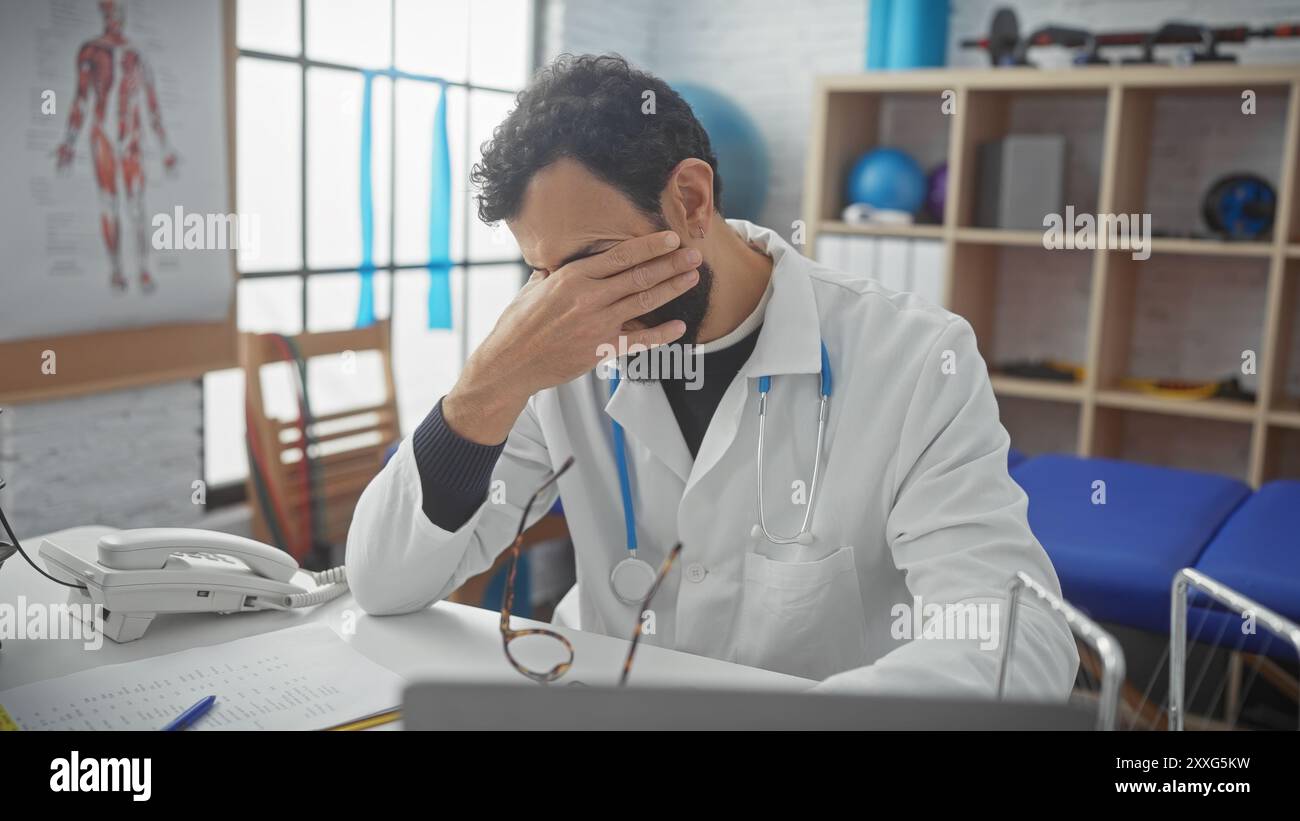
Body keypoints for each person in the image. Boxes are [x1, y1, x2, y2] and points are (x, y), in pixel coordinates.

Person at [346, 54, 1078, 698]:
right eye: (540, 274)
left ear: (692, 200)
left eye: (592, 261)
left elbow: (1019, 639)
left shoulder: (915, 359)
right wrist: (487, 383)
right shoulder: (555, 351)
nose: (569, 304)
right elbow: (382, 582)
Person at [55, 0, 177, 294]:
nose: (115, 18)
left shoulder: (136, 55)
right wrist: (69, 142)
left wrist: (165, 149)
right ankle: (116, 270)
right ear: (103, 14)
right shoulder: (92, 51)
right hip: (104, 139)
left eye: (119, 12)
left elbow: (151, 104)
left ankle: (144, 270)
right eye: (111, 12)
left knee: (136, 206)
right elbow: (81, 99)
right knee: (110, 206)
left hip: (131, 139)